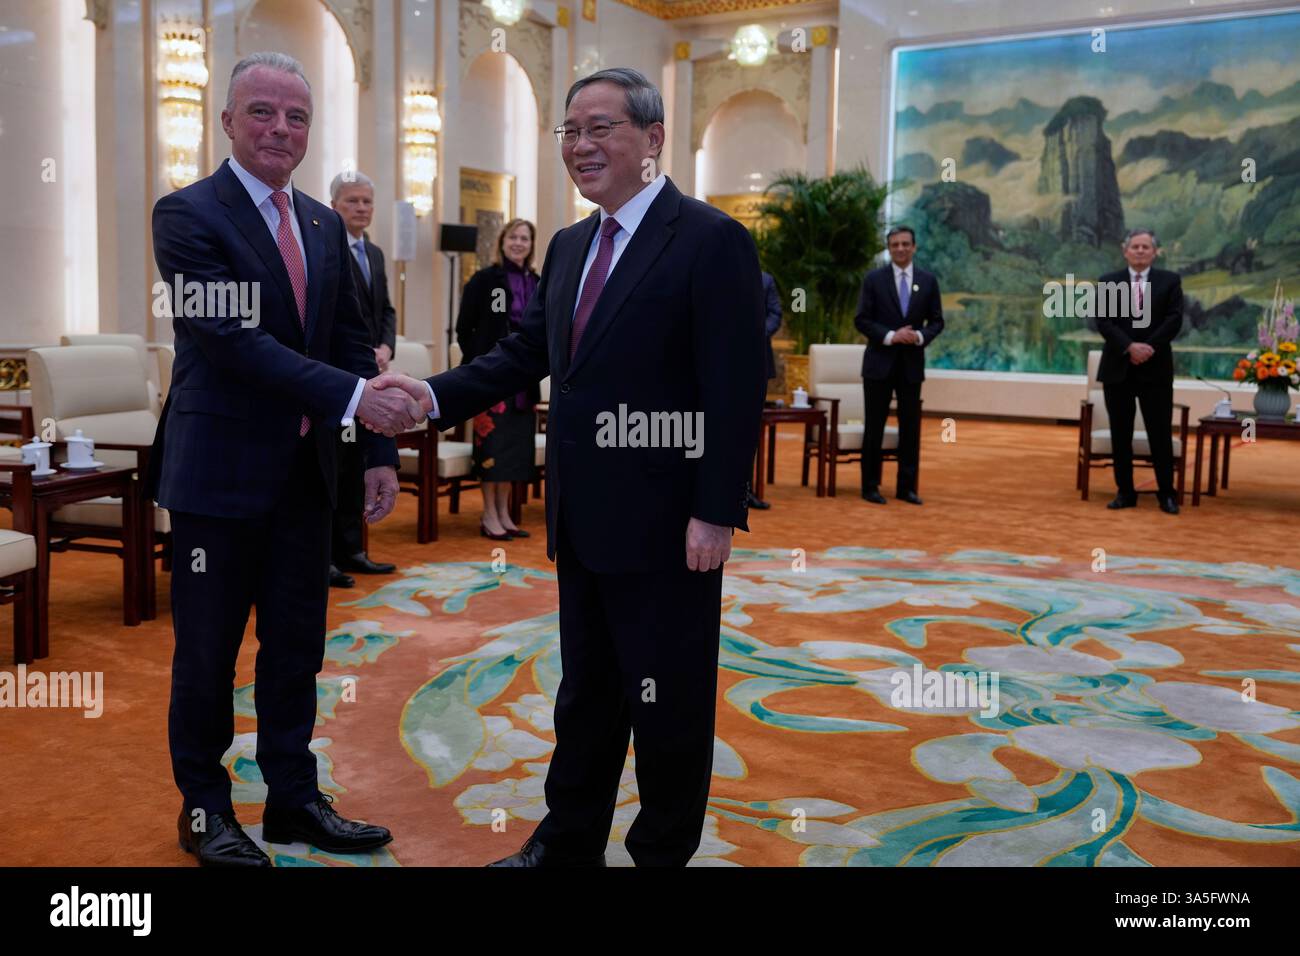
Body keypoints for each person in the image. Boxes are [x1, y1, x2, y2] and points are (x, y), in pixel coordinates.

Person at [373, 67, 766, 866]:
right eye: (570, 131)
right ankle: (567, 842)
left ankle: (660, 850)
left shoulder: (709, 239)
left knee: (668, 700)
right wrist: (431, 393)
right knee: (585, 693)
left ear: (652, 140)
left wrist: (716, 509)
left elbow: (734, 384)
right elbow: (528, 353)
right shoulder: (571, 242)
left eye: (601, 128)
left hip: (667, 522)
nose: (580, 146)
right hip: (582, 516)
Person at [150, 51, 423, 868]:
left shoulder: (322, 224)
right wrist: (351, 399)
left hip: (307, 480)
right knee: (207, 655)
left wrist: (374, 451)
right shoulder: (185, 214)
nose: (279, 128)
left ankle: (293, 800)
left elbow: (347, 340)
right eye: (262, 112)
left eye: (296, 116)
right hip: (217, 480)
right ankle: (203, 810)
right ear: (227, 121)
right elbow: (232, 344)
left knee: (297, 648)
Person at [328, 170, 399, 585]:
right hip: (337, 378)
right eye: (353, 201)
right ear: (334, 204)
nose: (361, 208)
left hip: (372, 372)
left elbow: (385, 310)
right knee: (334, 467)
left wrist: (385, 347)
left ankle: (353, 548)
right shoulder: (325, 248)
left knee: (358, 464)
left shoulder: (372, 252)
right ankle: (327, 556)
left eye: (367, 202)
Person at [455, 218, 541, 539]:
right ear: (502, 241)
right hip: (490, 379)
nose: (518, 243)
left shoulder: (536, 282)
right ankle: (488, 514)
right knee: (491, 449)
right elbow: (465, 329)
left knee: (512, 452)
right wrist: (480, 363)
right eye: (513, 237)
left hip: (523, 379)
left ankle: (504, 513)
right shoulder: (485, 279)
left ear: (531, 245)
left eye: (525, 238)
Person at [1095, 228, 1184, 514]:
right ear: (1125, 251)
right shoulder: (1109, 282)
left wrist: (1146, 347)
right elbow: (1104, 322)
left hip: (1155, 369)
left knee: (1159, 433)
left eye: (1146, 247)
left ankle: (1166, 494)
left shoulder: (1169, 281)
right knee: (1121, 434)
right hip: (1118, 369)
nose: (1141, 251)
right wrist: (1129, 347)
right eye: (1135, 246)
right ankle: (1125, 492)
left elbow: (1174, 320)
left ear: (1155, 252)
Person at [854, 225, 944, 505]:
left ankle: (906, 488)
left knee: (910, 428)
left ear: (914, 247)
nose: (900, 249)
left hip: (911, 365)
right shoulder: (873, 279)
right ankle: (870, 486)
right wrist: (892, 336)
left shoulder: (928, 281)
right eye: (895, 245)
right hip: (879, 365)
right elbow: (862, 320)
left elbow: (937, 321)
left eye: (905, 244)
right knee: (874, 427)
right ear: (889, 248)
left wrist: (917, 336)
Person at [747, 271, 783, 510]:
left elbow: (775, 314)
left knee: (749, 431)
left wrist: (755, 334)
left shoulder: (766, 280)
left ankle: (745, 490)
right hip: (715, 360)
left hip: (756, 360)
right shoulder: (712, 272)